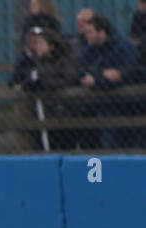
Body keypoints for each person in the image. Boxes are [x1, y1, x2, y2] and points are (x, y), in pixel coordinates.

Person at [77, 12, 146, 148]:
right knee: (111, 149)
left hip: (132, 107)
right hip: (106, 109)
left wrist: (98, 80)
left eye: (90, 31)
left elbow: (134, 74)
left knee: (135, 148)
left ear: (101, 31)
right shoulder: (88, 51)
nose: (86, 35)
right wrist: (103, 76)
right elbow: (83, 73)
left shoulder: (124, 47)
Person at [11, 26, 79, 149]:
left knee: (66, 145)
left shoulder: (64, 61)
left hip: (64, 114)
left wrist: (44, 82)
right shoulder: (34, 63)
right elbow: (23, 81)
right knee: (42, 144)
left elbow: (67, 79)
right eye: (36, 43)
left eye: (41, 43)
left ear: (51, 46)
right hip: (42, 114)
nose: (37, 47)